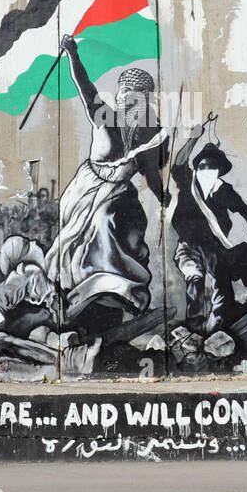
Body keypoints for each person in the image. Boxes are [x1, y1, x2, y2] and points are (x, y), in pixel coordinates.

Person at [46, 34, 169, 329]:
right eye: (125, 90)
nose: (128, 96)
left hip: (119, 195)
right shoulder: (105, 116)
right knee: (75, 239)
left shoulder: (151, 132)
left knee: (108, 222)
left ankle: (118, 288)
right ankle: (77, 288)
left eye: (136, 93)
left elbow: (150, 170)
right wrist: (72, 54)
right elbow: (85, 87)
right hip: (87, 188)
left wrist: (162, 195)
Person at [170, 114, 247, 332]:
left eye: (211, 166)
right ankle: (194, 326)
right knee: (194, 280)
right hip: (189, 245)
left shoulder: (224, 190)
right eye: (202, 165)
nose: (206, 169)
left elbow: (241, 206)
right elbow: (178, 164)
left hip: (214, 246)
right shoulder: (189, 184)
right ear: (197, 167)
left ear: (218, 170)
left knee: (219, 281)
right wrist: (195, 137)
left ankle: (220, 322)